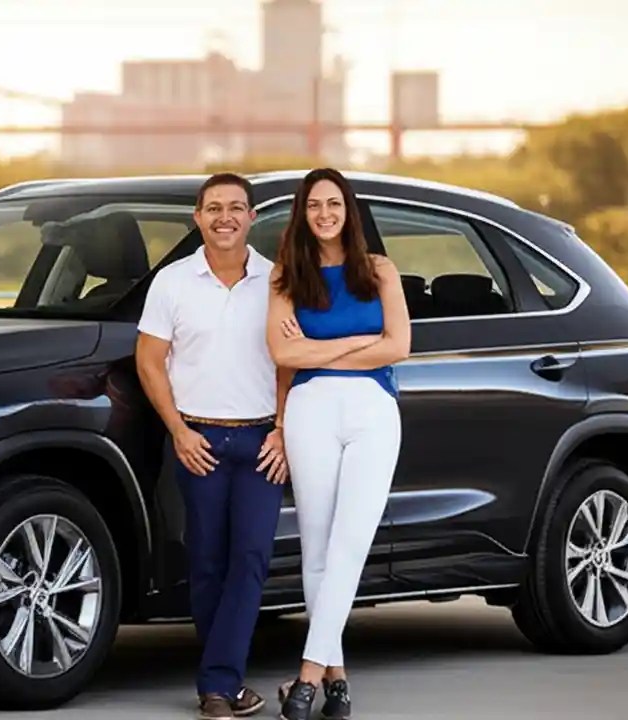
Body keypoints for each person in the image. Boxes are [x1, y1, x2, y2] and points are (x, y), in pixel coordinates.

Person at [136, 172, 293, 720]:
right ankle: (226, 682)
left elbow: (290, 366)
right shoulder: (173, 282)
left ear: (253, 218)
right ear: (197, 218)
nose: (225, 217)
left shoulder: (277, 282)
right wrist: (178, 430)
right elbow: (149, 360)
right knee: (205, 564)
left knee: (249, 558)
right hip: (197, 439)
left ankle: (217, 686)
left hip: (260, 442)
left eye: (236, 208)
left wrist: (283, 430)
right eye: (213, 208)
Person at [264, 168, 411, 720]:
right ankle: (338, 683)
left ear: (348, 210)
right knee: (317, 548)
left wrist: (320, 347)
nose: (324, 214)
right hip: (308, 411)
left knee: (350, 543)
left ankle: (305, 677)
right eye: (313, 205)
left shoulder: (379, 270)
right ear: (301, 213)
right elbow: (283, 357)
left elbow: (399, 345)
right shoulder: (286, 276)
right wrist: (359, 342)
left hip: (373, 412)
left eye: (334, 203)